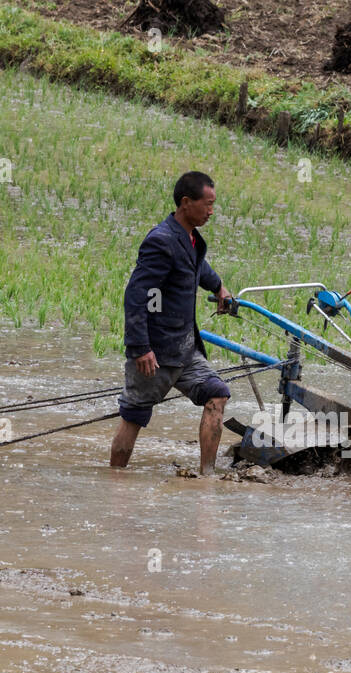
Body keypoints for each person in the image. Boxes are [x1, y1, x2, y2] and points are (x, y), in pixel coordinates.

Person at [111, 171, 235, 474]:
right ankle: (113, 480)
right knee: (134, 416)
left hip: (185, 348)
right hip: (154, 351)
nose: (211, 211)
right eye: (206, 205)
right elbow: (136, 296)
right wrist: (140, 347)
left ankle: (206, 476)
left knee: (217, 393)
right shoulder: (161, 242)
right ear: (185, 203)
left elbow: (197, 267)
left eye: (213, 205)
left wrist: (219, 287)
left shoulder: (189, 239)